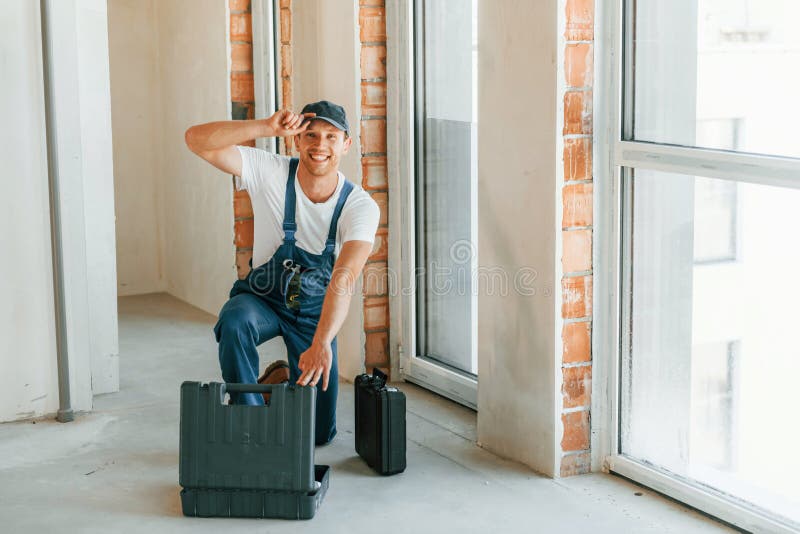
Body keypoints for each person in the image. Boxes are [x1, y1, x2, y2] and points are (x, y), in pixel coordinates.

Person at [184, 101, 380, 445]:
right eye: (311, 135)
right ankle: (250, 421)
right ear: (296, 140)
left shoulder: (360, 206)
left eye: (331, 137)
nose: (320, 145)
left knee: (317, 435)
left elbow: (344, 277)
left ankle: (281, 380)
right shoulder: (269, 171)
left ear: (346, 145)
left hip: (312, 316)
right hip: (263, 299)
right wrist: (266, 127)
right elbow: (196, 140)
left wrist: (321, 343)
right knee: (235, 322)